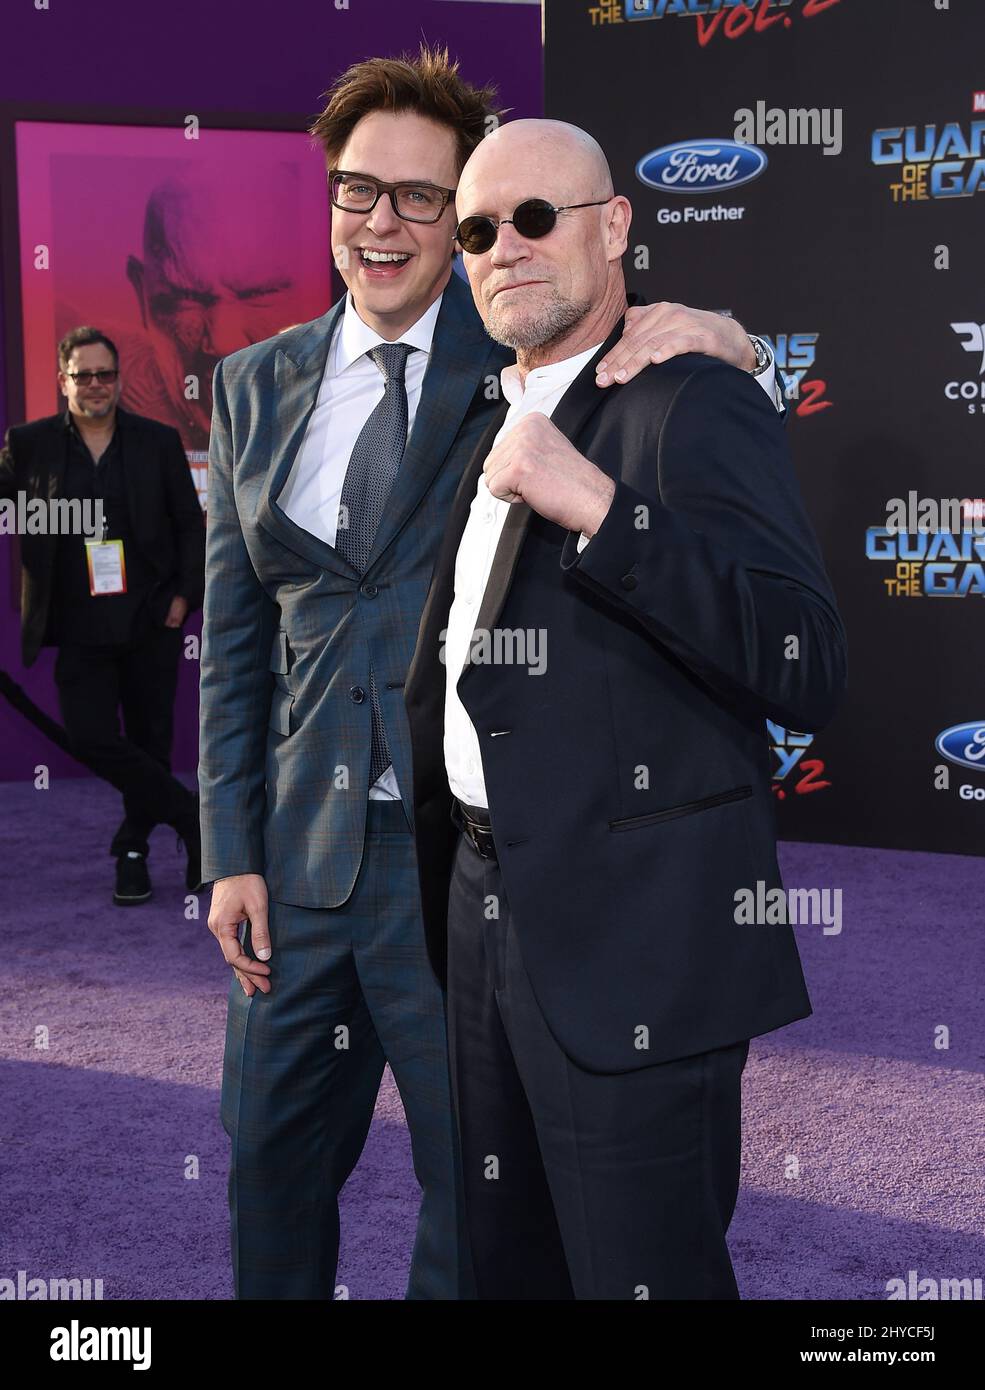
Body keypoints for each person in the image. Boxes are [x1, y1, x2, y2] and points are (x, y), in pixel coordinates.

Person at [199, 46, 786, 1302]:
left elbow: (646, 369)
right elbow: (235, 637)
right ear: (330, 197)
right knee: (266, 1173)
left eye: (426, 199)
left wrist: (731, 336)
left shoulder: (516, 351)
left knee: (476, 1208)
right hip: (296, 864)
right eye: (364, 190)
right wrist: (226, 846)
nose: (388, 224)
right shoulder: (251, 386)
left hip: (455, 865)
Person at [404, 117, 848, 1300]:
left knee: (641, 1274)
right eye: (479, 230)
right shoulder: (481, 415)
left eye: (536, 218)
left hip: (638, 941)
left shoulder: (694, 397)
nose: (504, 247)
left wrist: (601, 507)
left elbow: (804, 659)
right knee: (506, 1265)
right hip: (481, 903)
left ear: (613, 228)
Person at [0, 326, 205, 905]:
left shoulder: (157, 441)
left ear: (118, 379)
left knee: (149, 740)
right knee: (91, 736)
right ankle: (192, 819)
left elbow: (190, 524)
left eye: (105, 374)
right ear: (62, 380)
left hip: (150, 618)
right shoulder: (31, 443)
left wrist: (185, 596)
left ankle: (134, 851)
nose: (96, 386)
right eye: (83, 375)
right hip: (77, 624)